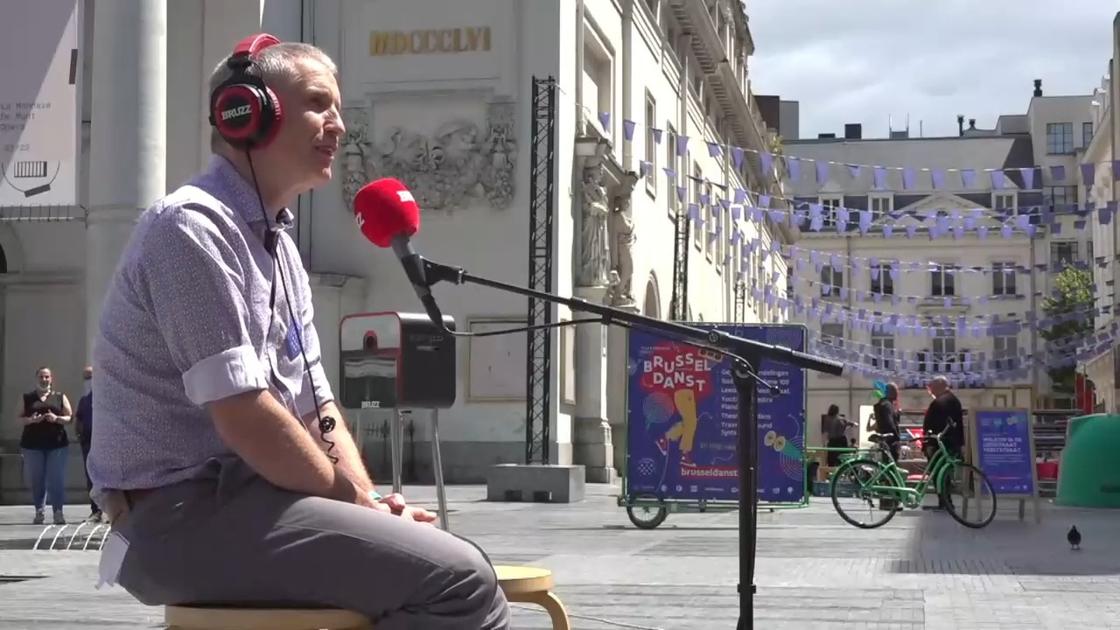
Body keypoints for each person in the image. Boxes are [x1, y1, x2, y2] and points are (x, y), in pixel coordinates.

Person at [87, 34, 510, 629]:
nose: (338, 125)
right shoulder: (191, 229)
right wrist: (355, 505)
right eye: (317, 103)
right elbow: (246, 414)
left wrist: (374, 504)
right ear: (247, 113)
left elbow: (318, 406)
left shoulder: (279, 244)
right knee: (460, 582)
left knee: (454, 568)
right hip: (177, 517)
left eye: (336, 107)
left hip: (245, 501)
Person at [18, 366, 72, 525]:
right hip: (32, 445)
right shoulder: (27, 398)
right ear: (37, 378)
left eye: (47, 377)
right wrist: (31, 420)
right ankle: (39, 511)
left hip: (57, 445)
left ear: (51, 379)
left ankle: (58, 512)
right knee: (37, 479)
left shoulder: (60, 396)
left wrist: (57, 418)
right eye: (41, 376)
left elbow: (70, 417)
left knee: (56, 480)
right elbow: (18, 419)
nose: (44, 379)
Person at [921, 376, 964, 510]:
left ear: (940, 386)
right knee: (945, 474)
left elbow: (932, 426)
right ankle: (946, 501)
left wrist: (928, 444)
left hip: (939, 445)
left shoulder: (939, 403)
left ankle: (944, 501)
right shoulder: (954, 400)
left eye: (932, 386)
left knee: (938, 473)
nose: (930, 389)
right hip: (952, 443)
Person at [74, 365, 101, 522]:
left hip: (104, 443)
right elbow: (78, 419)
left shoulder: (106, 397)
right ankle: (95, 510)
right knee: (91, 477)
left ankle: (109, 510)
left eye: (90, 377)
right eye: (86, 377)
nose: (88, 381)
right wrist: (79, 435)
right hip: (88, 443)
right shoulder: (84, 400)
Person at [869, 382, 901, 463]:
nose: (897, 393)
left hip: (885, 440)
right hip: (891, 441)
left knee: (885, 462)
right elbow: (890, 423)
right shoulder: (887, 405)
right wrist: (896, 437)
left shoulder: (882, 404)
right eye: (895, 391)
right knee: (892, 463)